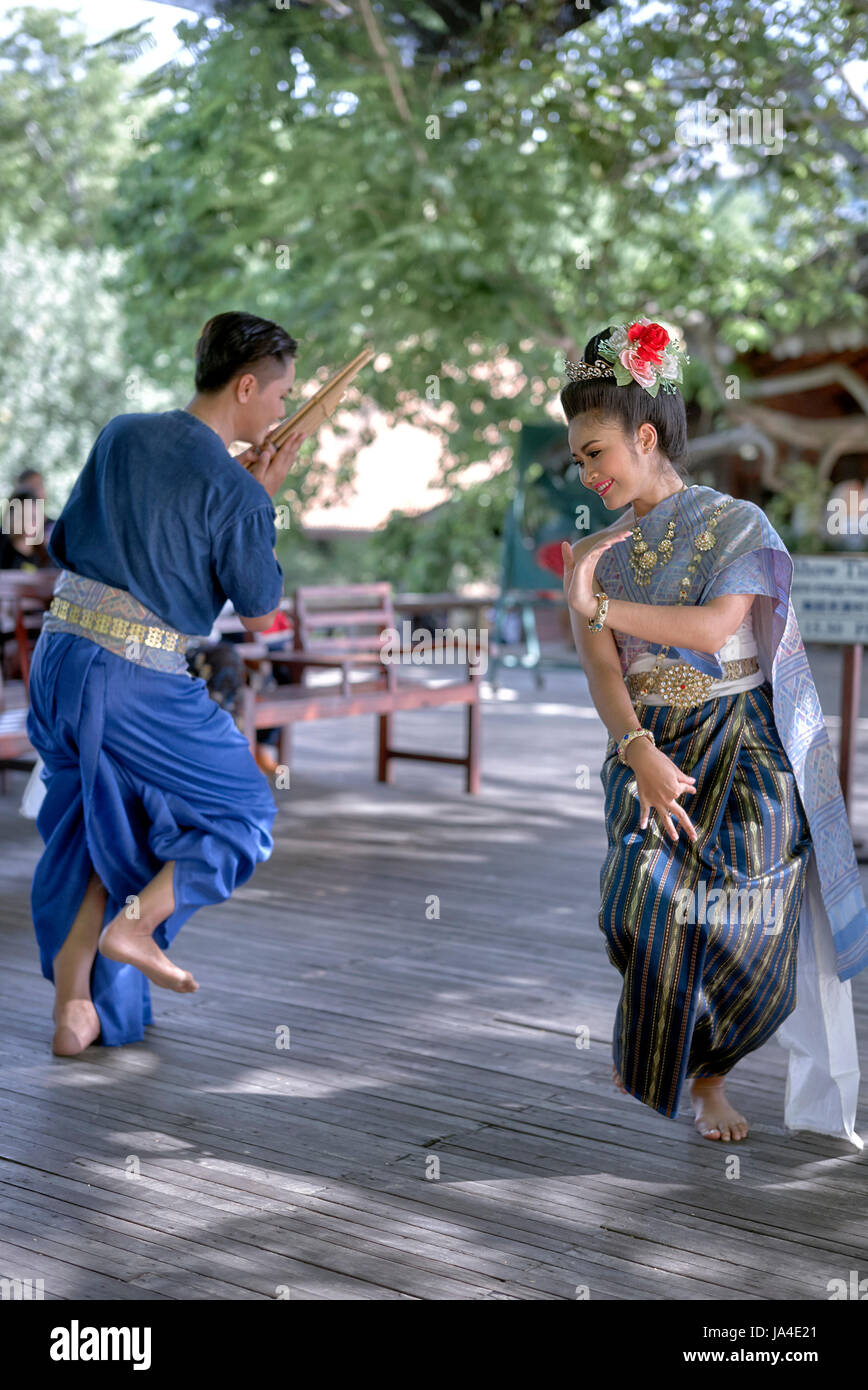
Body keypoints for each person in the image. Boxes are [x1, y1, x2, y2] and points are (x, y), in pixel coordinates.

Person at [560, 316, 868, 1146]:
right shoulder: (595, 552)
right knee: (635, 908)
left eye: (595, 451)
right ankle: (656, 1039)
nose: (584, 470)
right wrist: (638, 752)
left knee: (747, 922)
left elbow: (710, 628)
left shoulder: (736, 524)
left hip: (743, 740)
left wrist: (597, 605)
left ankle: (708, 1078)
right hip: (648, 742)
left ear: (646, 435)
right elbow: (602, 670)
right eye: (580, 456)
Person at [26, 311, 309, 1056]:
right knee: (244, 810)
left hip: (57, 658)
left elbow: (63, 540)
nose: (283, 410)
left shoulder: (121, 433)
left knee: (98, 821)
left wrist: (229, 498)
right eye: (281, 395)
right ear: (247, 386)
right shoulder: (240, 491)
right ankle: (134, 925)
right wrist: (260, 503)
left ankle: (75, 1007)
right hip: (132, 676)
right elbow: (257, 602)